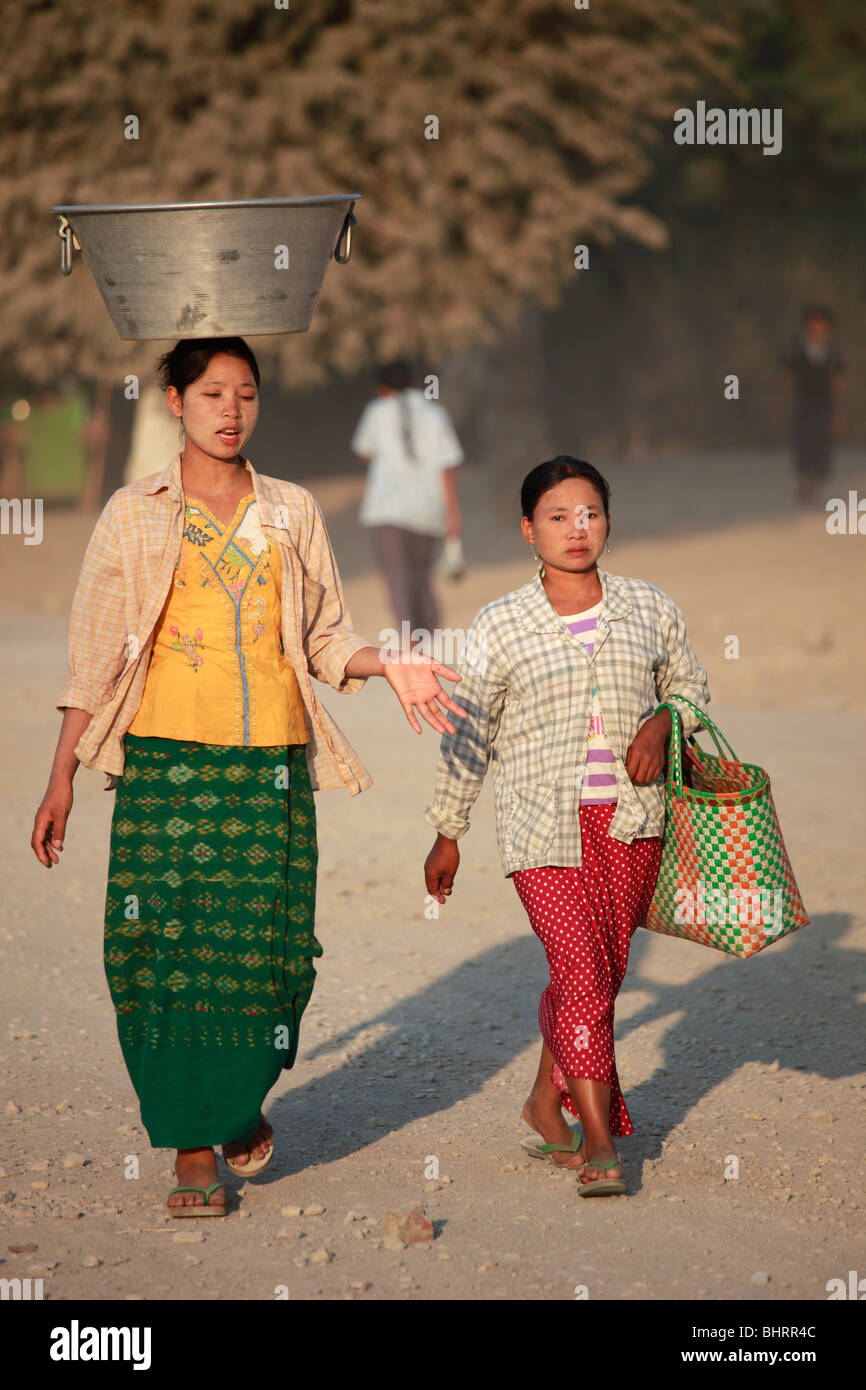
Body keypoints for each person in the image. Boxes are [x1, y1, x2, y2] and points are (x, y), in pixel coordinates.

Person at [31, 337, 466, 1218]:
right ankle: (195, 1144)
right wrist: (62, 776)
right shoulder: (133, 511)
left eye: (248, 394)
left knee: (263, 957)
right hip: (165, 764)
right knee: (161, 954)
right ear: (175, 401)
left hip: (269, 765)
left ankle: (233, 1102)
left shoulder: (292, 511)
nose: (232, 410)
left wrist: (391, 665)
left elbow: (322, 638)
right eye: (213, 393)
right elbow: (94, 656)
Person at [423, 456, 710, 1196]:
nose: (576, 529)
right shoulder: (499, 624)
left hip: (634, 824)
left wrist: (664, 718)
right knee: (584, 973)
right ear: (528, 530)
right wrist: (448, 828)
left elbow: (692, 689)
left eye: (589, 513)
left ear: (608, 521)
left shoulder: (650, 607)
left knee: (599, 978)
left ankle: (541, 1100)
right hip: (538, 830)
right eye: (557, 516)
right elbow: (469, 732)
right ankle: (601, 1141)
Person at [351, 360, 464, 652]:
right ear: (413, 382)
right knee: (421, 576)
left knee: (397, 578)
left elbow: (364, 452)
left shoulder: (376, 411)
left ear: (382, 387)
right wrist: (453, 512)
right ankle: (427, 634)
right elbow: (447, 466)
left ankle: (409, 641)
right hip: (427, 510)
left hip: (387, 510)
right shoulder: (435, 413)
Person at [782, 306, 846, 507]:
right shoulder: (799, 351)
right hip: (803, 403)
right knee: (803, 443)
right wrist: (785, 402)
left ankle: (815, 484)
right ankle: (804, 481)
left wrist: (838, 410)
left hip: (824, 404)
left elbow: (837, 383)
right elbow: (788, 378)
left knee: (822, 443)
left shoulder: (832, 353)